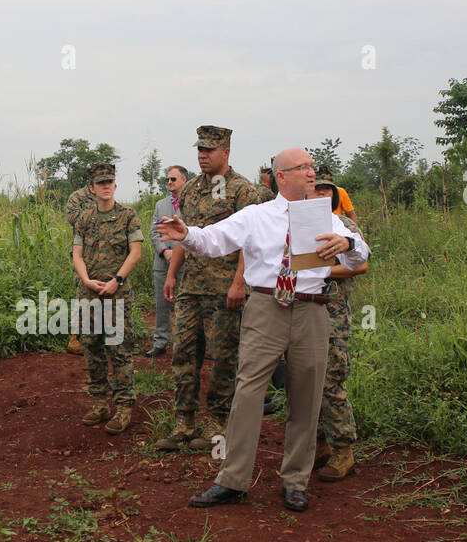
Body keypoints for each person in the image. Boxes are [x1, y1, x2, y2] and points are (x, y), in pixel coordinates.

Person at [158, 148, 370, 512]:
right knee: (249, 391)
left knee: (306, 396)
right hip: (265, 306)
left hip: (312, 308)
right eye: (303, 168)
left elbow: (360, 256)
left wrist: (348, 243)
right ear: (282, 176)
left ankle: (295, 482)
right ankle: (232, 479)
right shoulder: (256, 215)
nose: (311, 173)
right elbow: (214, 240)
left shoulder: (325, 217)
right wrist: (186, 234)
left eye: (312, 167)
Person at [155, 126, 257, 453]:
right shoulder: (191, 190)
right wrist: (172, 274)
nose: (202, 155)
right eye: (199, 149)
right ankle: (184, 421)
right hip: (191, 288)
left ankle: (218, 421)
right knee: (184, 352)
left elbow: (250, 243)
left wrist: (239, 282)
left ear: (226, 151)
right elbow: (184, 235)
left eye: (209, 150)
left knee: (224, 357)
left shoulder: (243, 191)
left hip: (225, 288)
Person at [73, 162, 143, 433]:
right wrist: (86, 279)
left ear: (114, 186)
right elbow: (77, 254)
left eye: (109, 182)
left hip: (117, 295)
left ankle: (124, 408)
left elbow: (134, 252)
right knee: (91, 348)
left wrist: (117, 280)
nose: (105, 186)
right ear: (92, 188)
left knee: (120, 350)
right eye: (100, 183)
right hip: (89, 295)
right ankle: (101, 403)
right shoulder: (84, 219)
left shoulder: (128, 216)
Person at [311, 179, 369, 482]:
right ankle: (318, 446)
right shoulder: (300, 222)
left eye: (326, 190)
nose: (321, 194)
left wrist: (317, 270)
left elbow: (361, 265)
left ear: (335, 194)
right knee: (306, 382)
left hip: (333, 312)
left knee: (331, 382)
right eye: (316, 189)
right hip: (303, 310)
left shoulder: (343, 225)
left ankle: (343, 450)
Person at [146, 165, 188, 357]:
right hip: (163, 262)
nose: (169, 182)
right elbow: (154, 232)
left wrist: (180, 253)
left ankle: (185, 344)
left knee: (187, 304)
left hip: (187, 261)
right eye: (168, 179)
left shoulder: (193, 203)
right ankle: (160, 342)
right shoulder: (160, 205)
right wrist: (164, 251)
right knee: (162, 303)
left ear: (184, 180)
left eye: (173, 179)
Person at [64, 183, 96, 356]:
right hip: (82, 254)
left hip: (104, 254)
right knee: (83, 293)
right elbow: (74, 219)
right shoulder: (77, 197)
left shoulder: (105, 196)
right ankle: (76, 338)